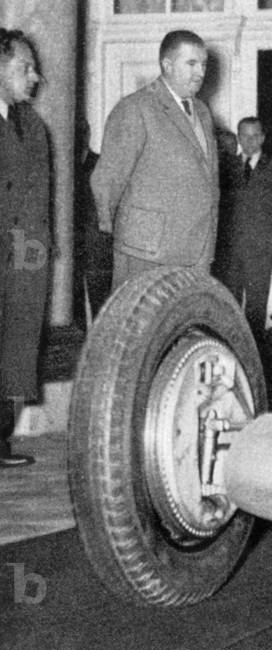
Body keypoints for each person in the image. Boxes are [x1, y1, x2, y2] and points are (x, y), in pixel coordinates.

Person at [91, 29, 219, 290]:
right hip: (145, 252)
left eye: (203, 64)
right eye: (191, 63)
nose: (200, 72)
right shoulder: (136, 108)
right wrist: (113, 234)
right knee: (140, 328)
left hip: (196, 250)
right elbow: (107, 180)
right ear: (167, 64)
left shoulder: (203, 112)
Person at [0, 29, 48, 468]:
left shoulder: (34, 126)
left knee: (13, 349)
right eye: (25, 68)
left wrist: (37, 258)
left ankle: (0, 442)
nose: (34, 77)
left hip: (23, 259)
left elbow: (40, 203)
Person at [214, 117, 272, 340]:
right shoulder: (226, 168)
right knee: (228, 305)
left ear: (263, 138)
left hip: (259, 251)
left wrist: (266, 237)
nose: (250, 141)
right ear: (238, 137)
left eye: (255, 135)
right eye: (245, 136)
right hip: (229, 252)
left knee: (256, 308)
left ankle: (255, 354)